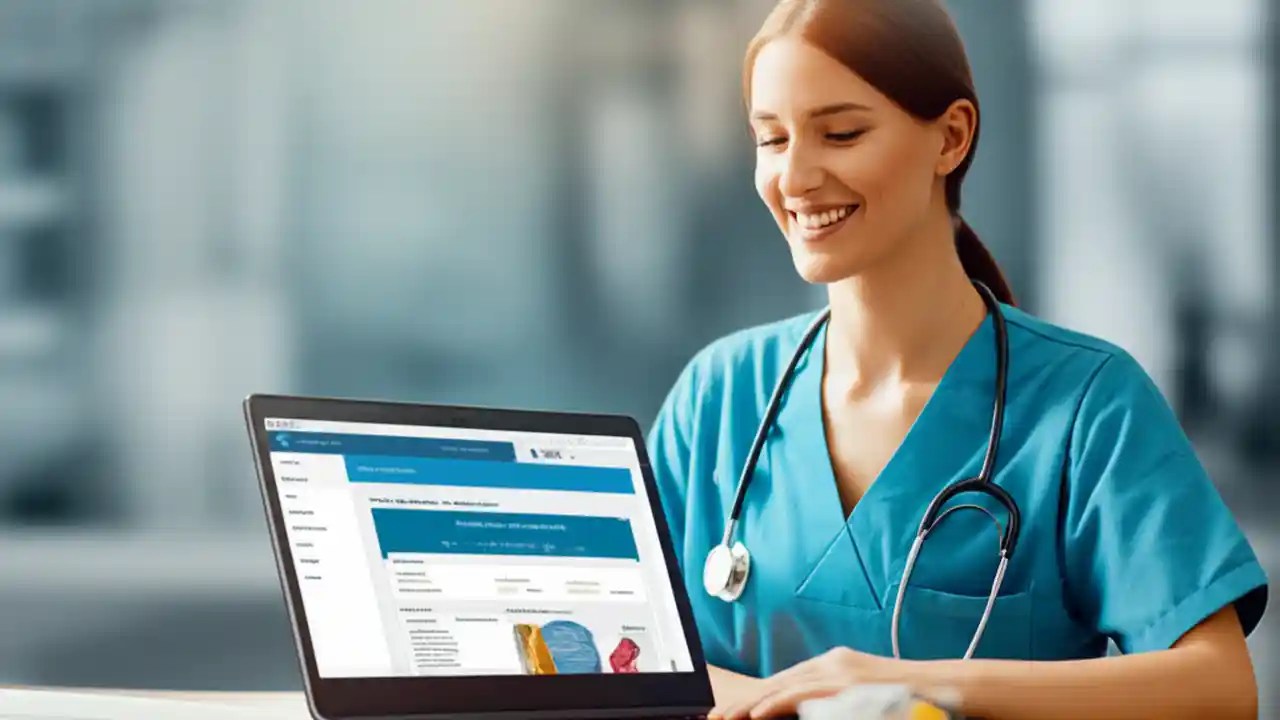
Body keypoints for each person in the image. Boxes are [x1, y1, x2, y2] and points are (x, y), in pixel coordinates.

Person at [645, 1, 1269, 718]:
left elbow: (1218, 687)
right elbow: (627, 659)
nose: (796, 177)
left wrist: (920, 687)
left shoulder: (1086, 405)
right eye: (772, 138)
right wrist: (814, 708)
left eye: (841, 133)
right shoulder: (718, 396)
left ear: (951, 137)